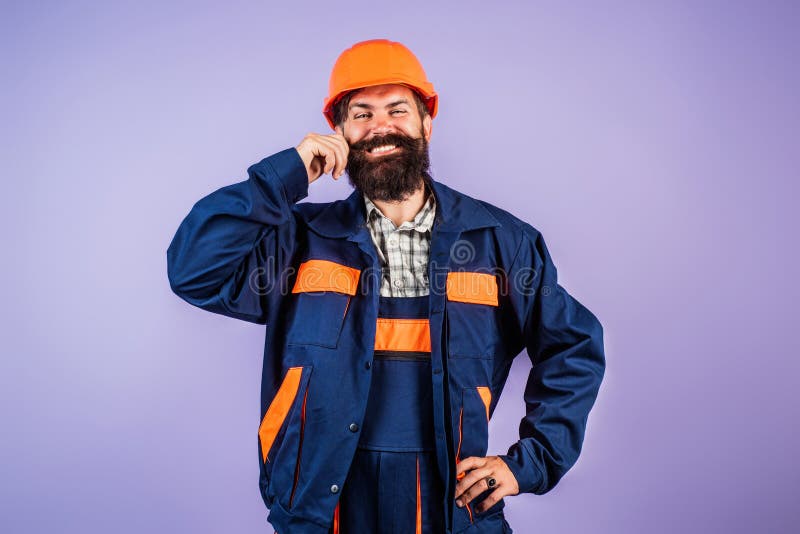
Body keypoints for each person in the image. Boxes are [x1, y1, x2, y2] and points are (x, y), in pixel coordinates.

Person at [167, 38, 605, 534]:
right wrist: (283, 177)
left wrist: (530, 462)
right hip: (321, 511)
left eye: (398, 109)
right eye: (361, 114)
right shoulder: (297, 242)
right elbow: (193, 269)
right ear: (339, 132)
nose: (381, 127)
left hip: (453, 509)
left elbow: (575, 346)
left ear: (427, 123)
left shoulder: (500, 243)